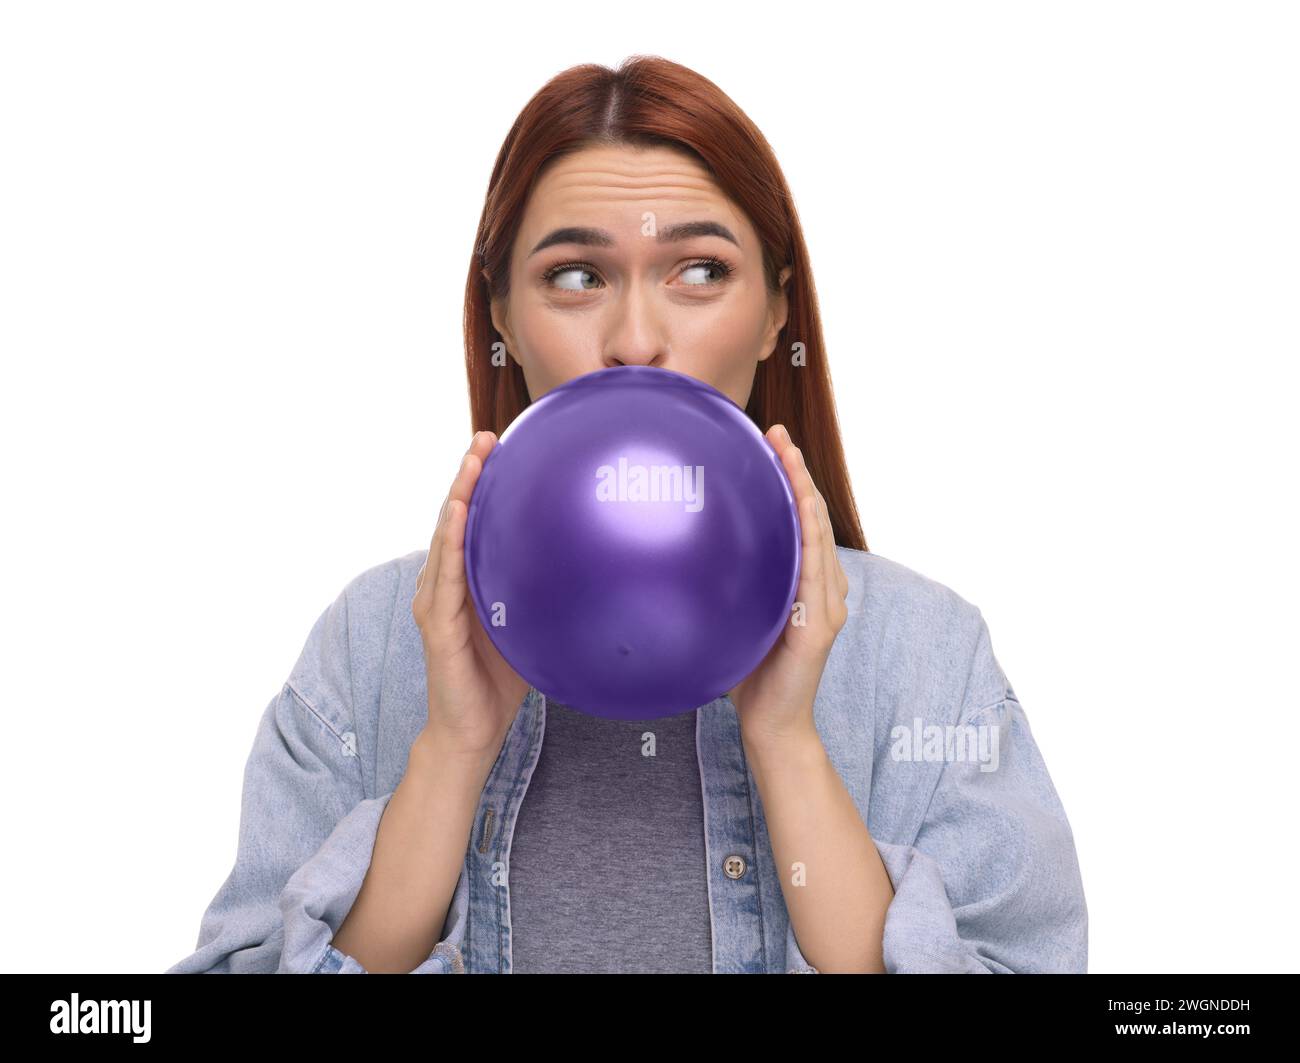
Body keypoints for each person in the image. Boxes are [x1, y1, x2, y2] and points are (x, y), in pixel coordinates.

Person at [167, 55, 1087, 975]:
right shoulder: (371, 645)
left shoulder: (924, 655)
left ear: (775, 313)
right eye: (575, 276)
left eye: (699, 269)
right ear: (502, 318)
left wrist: (786, 740)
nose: (637, 340)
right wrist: (451, 748)